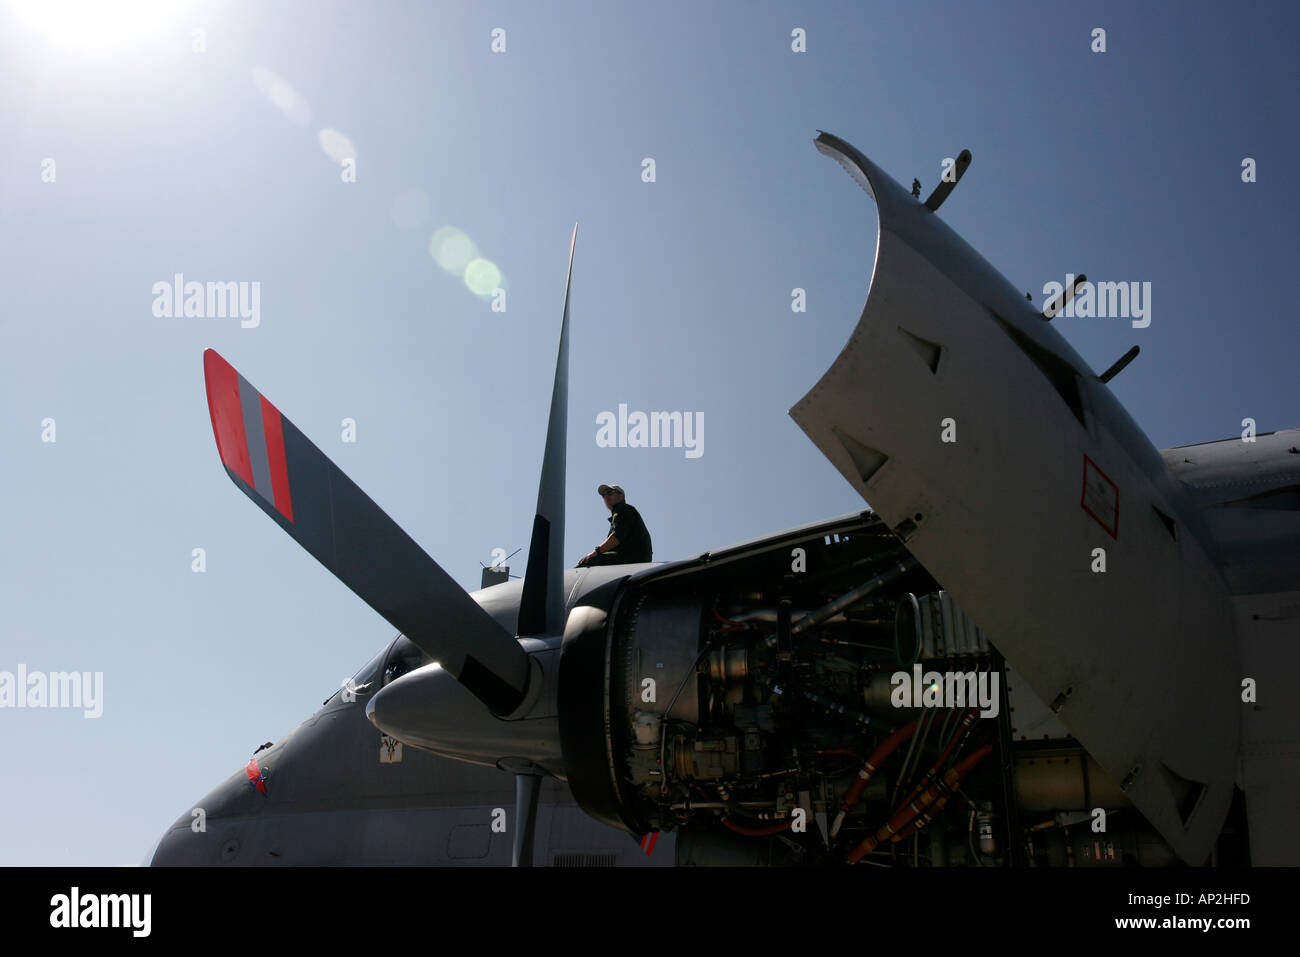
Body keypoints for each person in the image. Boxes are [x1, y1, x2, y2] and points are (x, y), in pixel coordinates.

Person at [577, 484, 653, 566]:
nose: (606, 497)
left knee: (587, 562)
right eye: (603, 495)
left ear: (621, 496)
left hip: (632, 557)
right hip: (638, 559)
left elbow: (617, 536)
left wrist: (595, 552)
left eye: (610, 492)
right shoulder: (624, 512)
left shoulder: (622, 508)